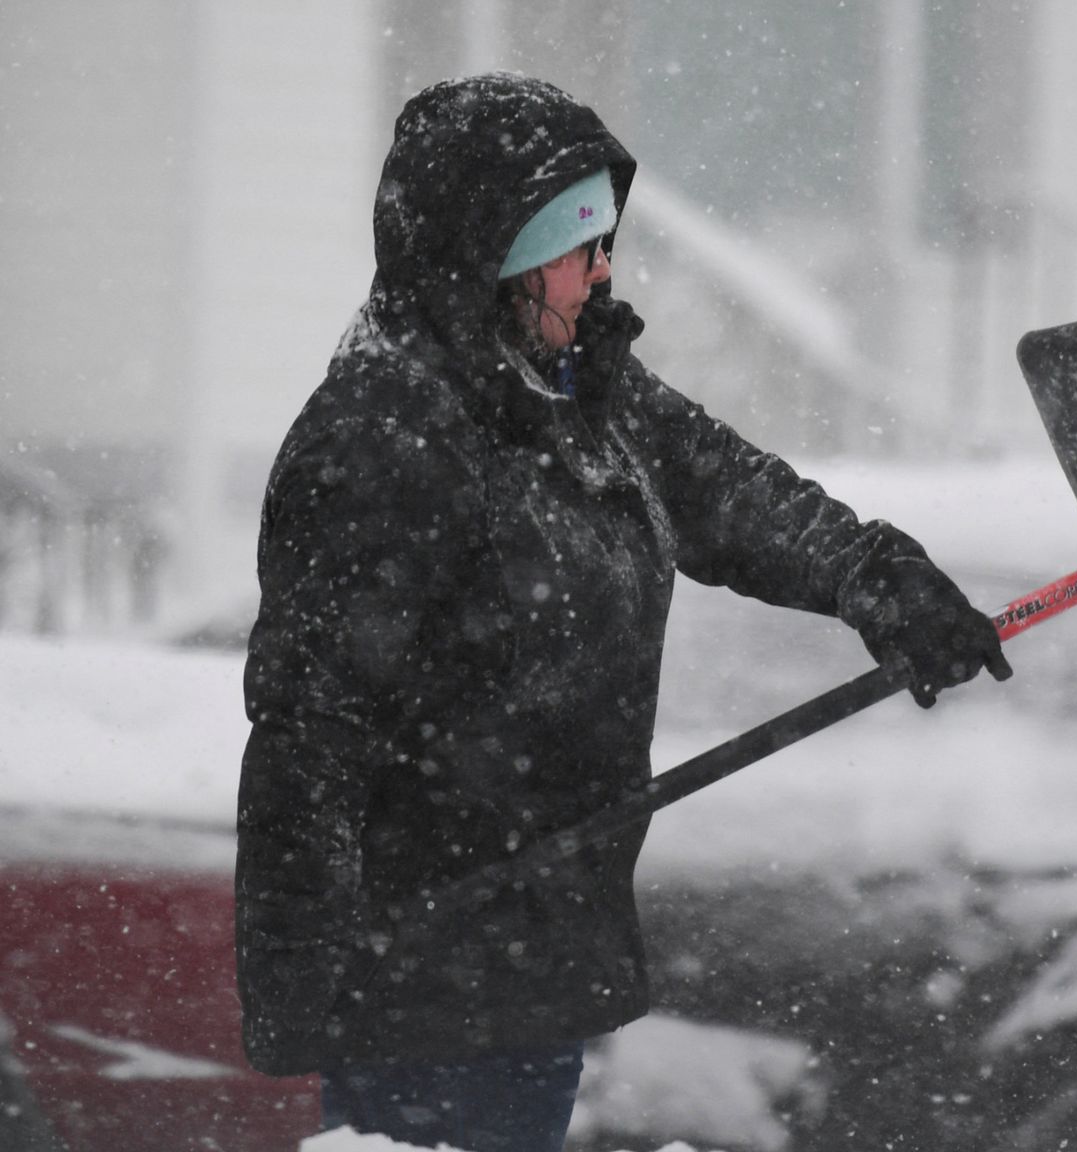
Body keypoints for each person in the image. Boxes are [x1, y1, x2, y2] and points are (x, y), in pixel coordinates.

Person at [234, 73, 1010, 1152]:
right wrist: (310, 974)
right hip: (421, 976)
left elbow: (730, 493)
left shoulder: (576, 390)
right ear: (495, 259)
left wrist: (877, 578)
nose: (604, 268)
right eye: (579, 244)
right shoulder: (383, 439)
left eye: (606, 240)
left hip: (535, 952)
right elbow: (309, 730)